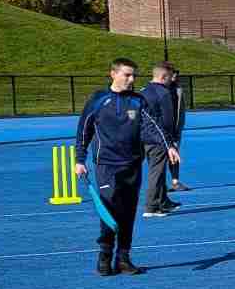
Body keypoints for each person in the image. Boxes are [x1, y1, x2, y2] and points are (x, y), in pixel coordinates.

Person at [75, 57, 179, 276]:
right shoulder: (98, 100)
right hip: (107, 166)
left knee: (128, 213)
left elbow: (152, 126)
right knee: (109, 211)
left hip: (132, 164)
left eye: (134, 75)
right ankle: (104, 256)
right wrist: (79, 159)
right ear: (113, 74)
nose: (131, 79)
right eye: (127, 75)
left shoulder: (137, 101)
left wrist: (168, 145)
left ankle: (123, 257)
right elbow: (84, 131)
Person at [139, 63, 183, 218]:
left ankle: (163, 201)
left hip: (144, 136)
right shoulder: (163, 93)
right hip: (158, 138)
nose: (172, 79)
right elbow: (167, 120)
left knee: (158, 169)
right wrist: (171, 141)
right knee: (156, 171)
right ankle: (151, 206)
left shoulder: (143, 91)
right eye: (170, 76)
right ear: (163, 77)